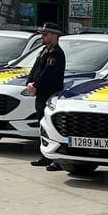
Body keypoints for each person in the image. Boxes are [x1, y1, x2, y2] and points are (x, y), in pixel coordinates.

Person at [26, 22, 67, 170]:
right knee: (42, 126)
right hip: (41, 94)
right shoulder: (44, 50)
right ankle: (45, 156)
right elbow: (35, 68)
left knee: (51, 127)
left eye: (46, 34)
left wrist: (36, 85)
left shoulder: (56, 53)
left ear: (54, 35)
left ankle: (57, 160)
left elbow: (48, 75)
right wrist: (29, 82)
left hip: (50, 94)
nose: (42, 37)